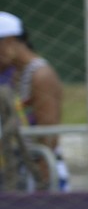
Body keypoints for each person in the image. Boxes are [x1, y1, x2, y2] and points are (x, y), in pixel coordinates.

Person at [0, 11, 68, 190]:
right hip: (23, 168)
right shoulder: (14, 73)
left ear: (10, 41)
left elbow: (49, 132)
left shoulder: (40, 74)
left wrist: (42, 181)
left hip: (40, 169)